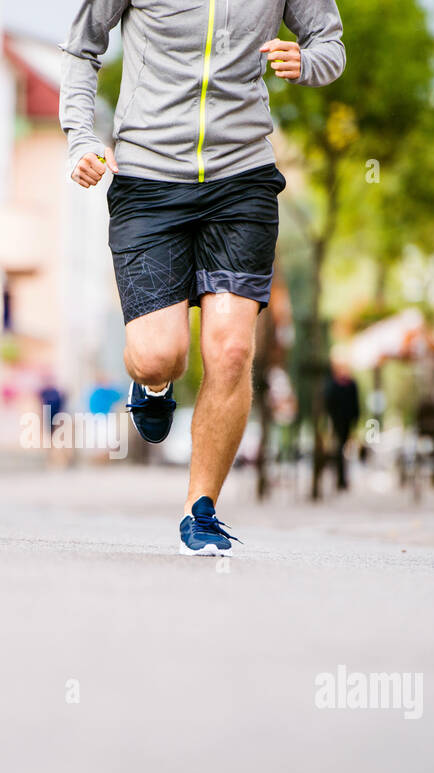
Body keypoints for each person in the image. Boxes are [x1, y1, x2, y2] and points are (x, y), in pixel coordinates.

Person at [60, 0, 345, 555]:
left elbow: (330, 47)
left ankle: (202, 508)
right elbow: (81, 45)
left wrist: (305, 62)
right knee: (157, 353)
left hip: (243, 180)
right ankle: (156, 382)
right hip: (147, 178)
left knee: (233, 350)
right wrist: (82, 138)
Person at [323, 356, 360, 491]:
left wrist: (355, 420)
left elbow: (355, 405)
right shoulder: (333, 384)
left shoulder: (351, 384)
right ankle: (340, 479)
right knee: (339, 450)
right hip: (337, 420)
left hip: (346, 421)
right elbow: (329, 403)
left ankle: (342, 479)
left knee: (343, 450)